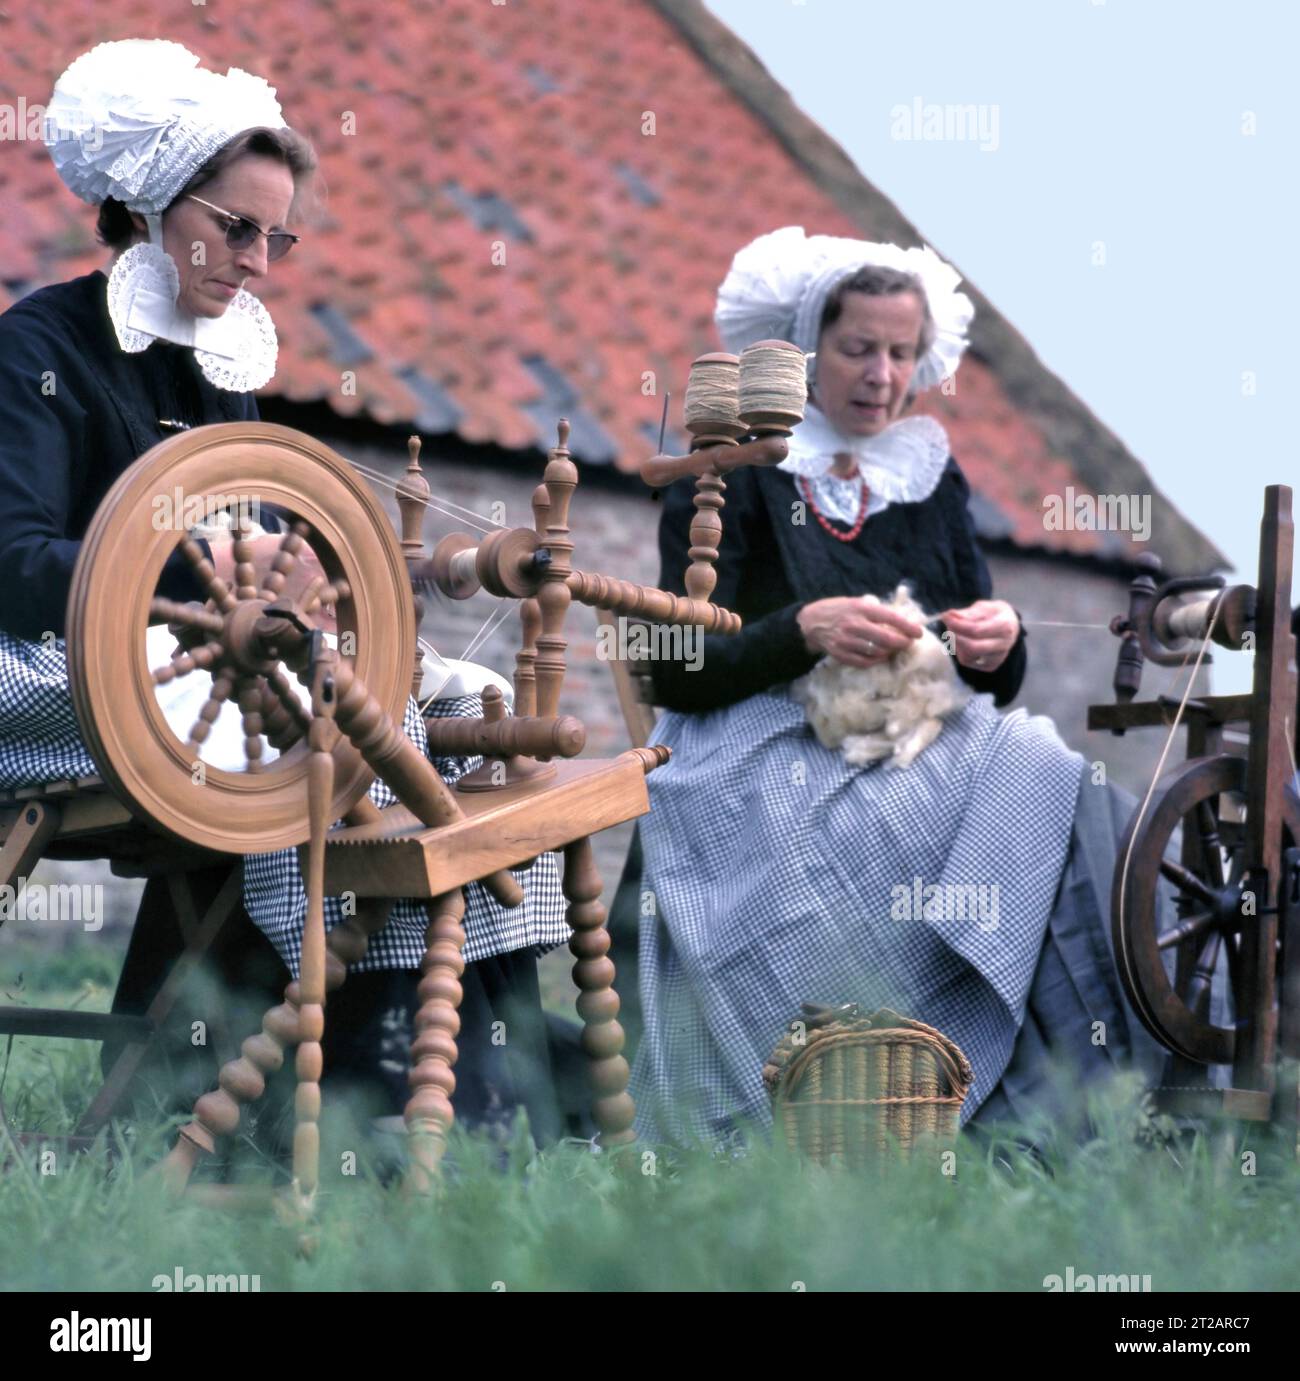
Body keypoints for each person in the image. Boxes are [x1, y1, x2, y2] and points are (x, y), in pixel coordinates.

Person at [0, 39, 566, 1145]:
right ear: (154, 203)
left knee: (465, 699)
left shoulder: (219, 375)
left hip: (196, 668)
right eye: (236, 228)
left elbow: (256, 546)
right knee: (338, 713)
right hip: (41, 670)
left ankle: (496, 1068)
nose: (258, 261)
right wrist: (203, 571)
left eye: (278, 237)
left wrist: (295, 580)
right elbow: (13, 561)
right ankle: (358, 1059)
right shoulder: (37, 346)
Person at [623, 226, 1168, 1145]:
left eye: (901, 353)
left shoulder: (929, 475)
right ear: (809, 346)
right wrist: (800, 631)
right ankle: (849, 1093)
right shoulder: (734, 469)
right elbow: (673, 664)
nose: (882, 374)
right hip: (755, 743)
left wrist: (1001, 644)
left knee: (1066, 787)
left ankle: (1081, 1095)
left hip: (918, 739)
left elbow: (980, 663)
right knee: (896, 826)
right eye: (858, 348)